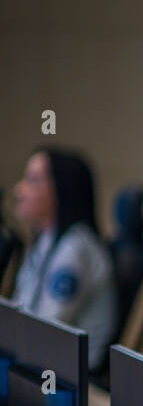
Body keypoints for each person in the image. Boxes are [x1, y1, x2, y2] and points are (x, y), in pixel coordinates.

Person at [10, 148, 117, 369]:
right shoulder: (46, 241)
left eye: (32, 180)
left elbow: (43, 332)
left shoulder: (74, 251)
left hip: (66, 383)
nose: (19, 190)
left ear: (59, 190)